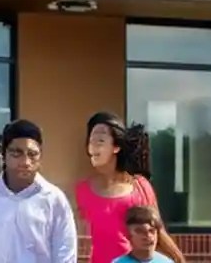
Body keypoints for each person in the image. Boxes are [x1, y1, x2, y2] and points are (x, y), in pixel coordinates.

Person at [0, 119, 78, 263]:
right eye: (17, 153)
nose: (25, 162)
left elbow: (65, 255)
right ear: (4, 155)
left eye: (32, 154)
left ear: (41, 156)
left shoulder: (54, 200)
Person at [74, 112, 185, 263]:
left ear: (116, 147)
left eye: (100, 140)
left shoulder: (140, 186)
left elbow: (158, 231)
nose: (93, 146)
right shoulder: (82, 191)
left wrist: (179, 259)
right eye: (90, 141)